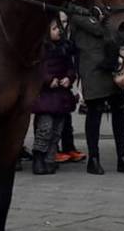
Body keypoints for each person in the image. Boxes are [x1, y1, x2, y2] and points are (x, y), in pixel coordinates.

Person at [70, 9, 124, 176]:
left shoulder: (108, 5)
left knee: (119, 110)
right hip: (92, 63)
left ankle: (122, 157)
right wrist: (109, 21)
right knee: (95, 110)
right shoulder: (78, 8)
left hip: (114, 61)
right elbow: (98, 28)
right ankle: (94, 158)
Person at [30, 18, 77, 175]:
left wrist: (68, 78)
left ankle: (50, 159)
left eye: (60, 28)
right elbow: (38, 70)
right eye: (55, 28)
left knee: (57, 130)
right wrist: (49, 80)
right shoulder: (41, 50)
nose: (59, 31)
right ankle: (38, 156)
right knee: (45, 128)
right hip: (45, 96)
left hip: (61, 95)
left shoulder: (64, 49)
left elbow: (70, 68)